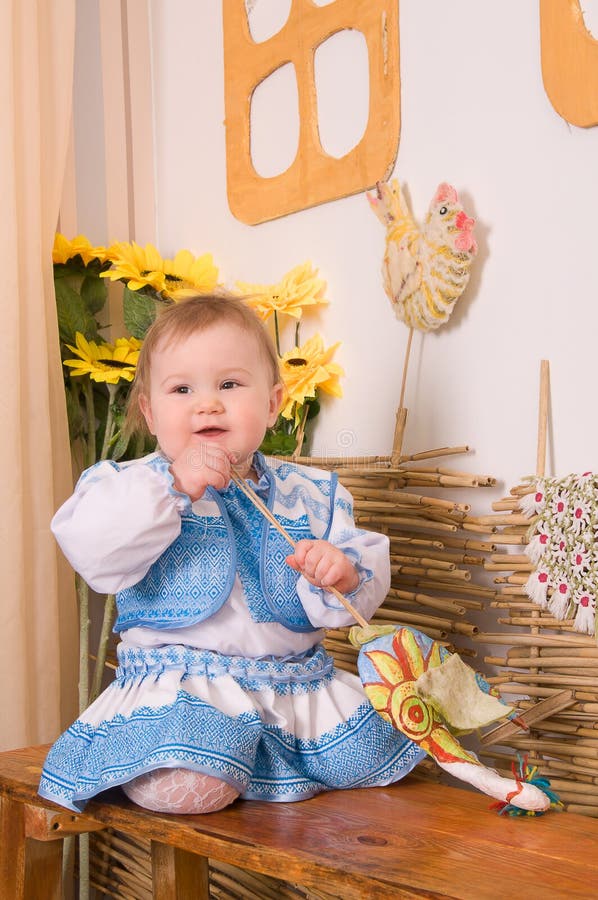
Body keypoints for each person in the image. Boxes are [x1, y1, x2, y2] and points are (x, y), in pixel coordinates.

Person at [39, 293, 426, 814]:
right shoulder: (133, 486)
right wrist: (176, 484)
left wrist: (343, 573)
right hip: (182, 693)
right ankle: (199, 762)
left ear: (271, 403)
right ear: (151, 415)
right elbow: (93, 545)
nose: (208, 404)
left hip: (294, 691)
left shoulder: (310, 492)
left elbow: (355, 570)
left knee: (381, 751)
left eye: (229, 384)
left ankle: (273, 763)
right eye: (182, 389)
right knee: (194, 781)